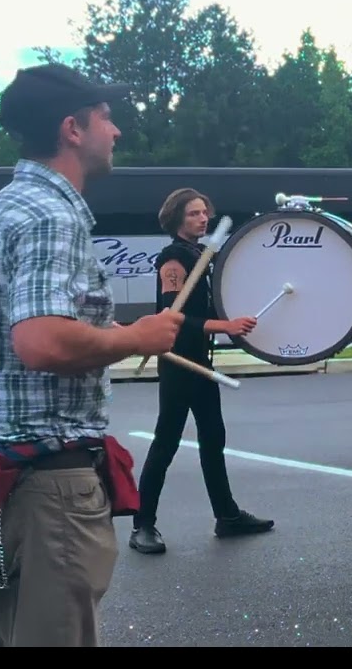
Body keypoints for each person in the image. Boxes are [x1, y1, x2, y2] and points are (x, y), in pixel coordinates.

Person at [0, 63, 183, 646]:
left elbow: (4, 333)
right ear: (73, 128)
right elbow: (39, 341)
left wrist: (98, 329)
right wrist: (136, 339)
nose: (115, 132)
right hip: (44, 491)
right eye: (107, 119)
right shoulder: (53, 216)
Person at [129, 188, 273, 555]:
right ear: (177, 217)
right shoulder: (174, 259)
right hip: (178, 361)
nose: (203, 218)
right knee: (166, 442)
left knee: (213, 437)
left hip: (200, 362)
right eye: (194, 213)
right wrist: (222, 326)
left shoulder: (199, 254)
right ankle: (142, 525)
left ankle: (226, 516)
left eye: (204, 212)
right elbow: (170, 315)